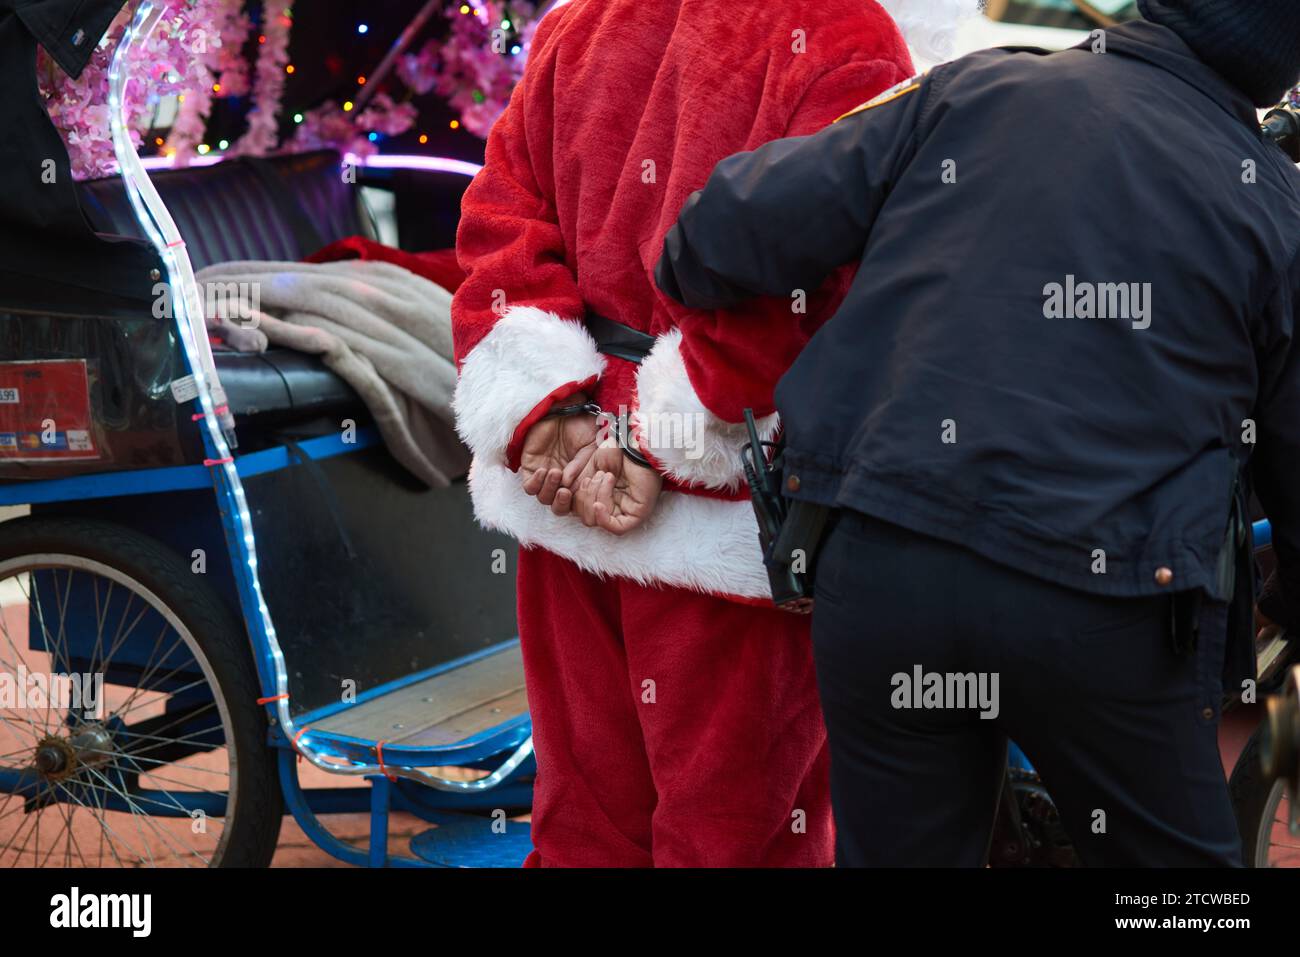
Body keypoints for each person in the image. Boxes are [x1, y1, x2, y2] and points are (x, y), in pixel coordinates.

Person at [656, 0, 1300, 866]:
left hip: (884, 561)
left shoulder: (976, 89)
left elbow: (719, 233)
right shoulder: (1273, 202)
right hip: (1110, 605)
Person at [449, 0, 980, 866]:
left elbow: (496, 222)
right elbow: (819, 289)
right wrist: (665, 434)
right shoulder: (849, 37)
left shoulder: (581, 22)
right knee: (739, 838)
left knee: (584, 823)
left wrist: (552, 410)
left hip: (571, 500)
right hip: (737, 524)